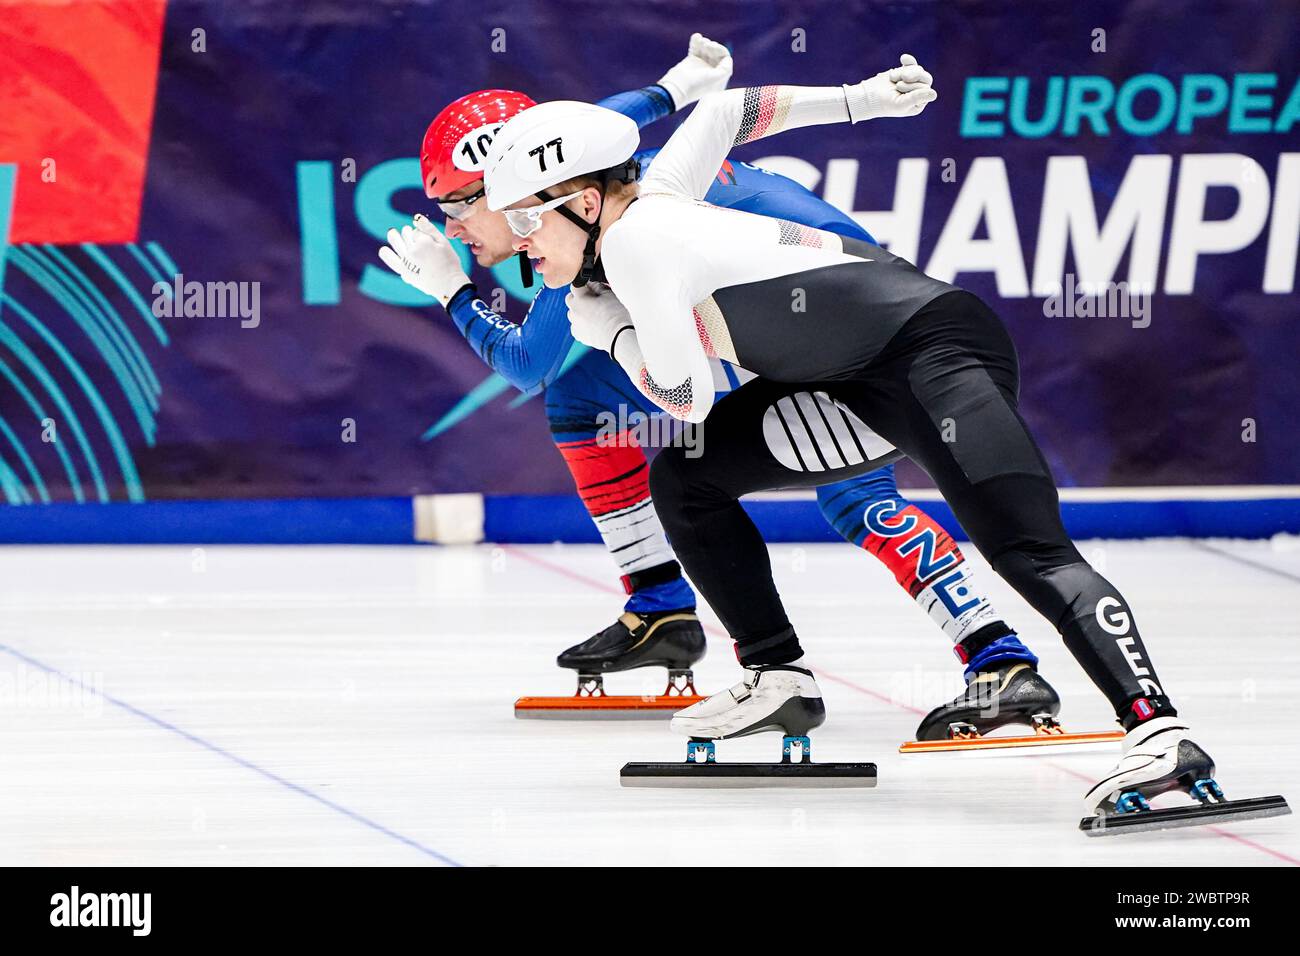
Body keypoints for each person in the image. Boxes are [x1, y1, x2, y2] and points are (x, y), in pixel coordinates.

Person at [479, 55, 1224, 817]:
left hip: (936, 356)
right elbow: (726, 114)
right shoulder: (654, 199)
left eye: (530, 220)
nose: (523, 245)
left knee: (1029, 551)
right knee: (688, 481)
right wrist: (856, 99)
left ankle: (1161, 733)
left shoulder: (638, 247)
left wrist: (613, 336)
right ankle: (779, 678)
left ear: (585, 201)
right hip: (850, 389)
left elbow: (685, 396)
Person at [382, 39, 1057, 740]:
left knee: (855, 495)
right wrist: (670, 89)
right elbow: (619, 112)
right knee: (580, 396)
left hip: (837, 315)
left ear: (515, 188)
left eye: (459, 206)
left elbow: (525, 362)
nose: (452, 229)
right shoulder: (581, 178)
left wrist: (454, 293)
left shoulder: (596, 230)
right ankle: (661, 607)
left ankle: (998, 654)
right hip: (808, 294)